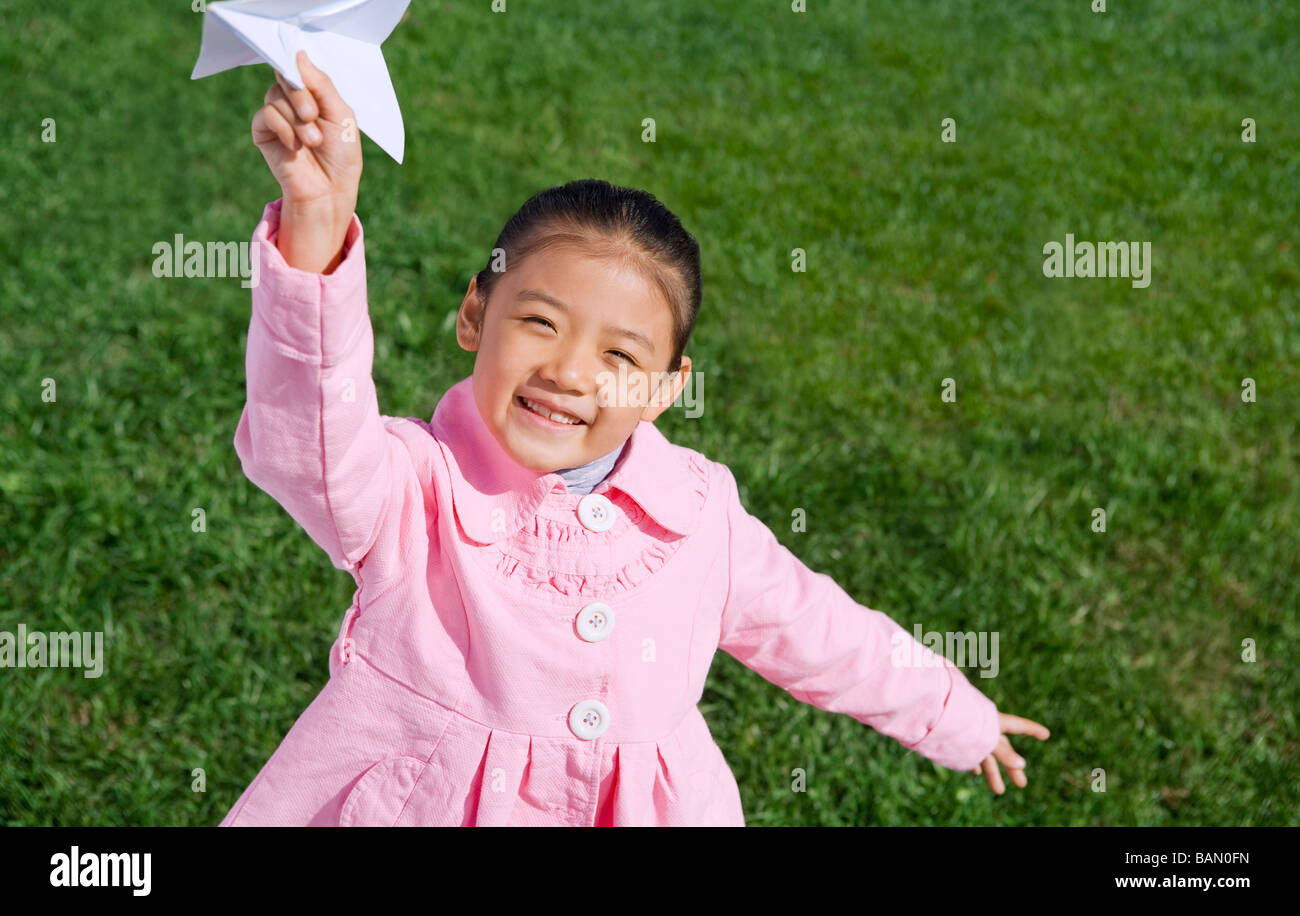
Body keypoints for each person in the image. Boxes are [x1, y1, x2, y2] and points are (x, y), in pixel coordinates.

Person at [221, 50, 1049, 826]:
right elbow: (308, 432)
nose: (572, 373)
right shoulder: (409, 487)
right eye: (540, 322)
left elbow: (817, 631)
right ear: (475, 314)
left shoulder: (696, 512)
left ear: (664, 390)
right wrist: (318, 219)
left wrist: (950, 711)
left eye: (620, 354)